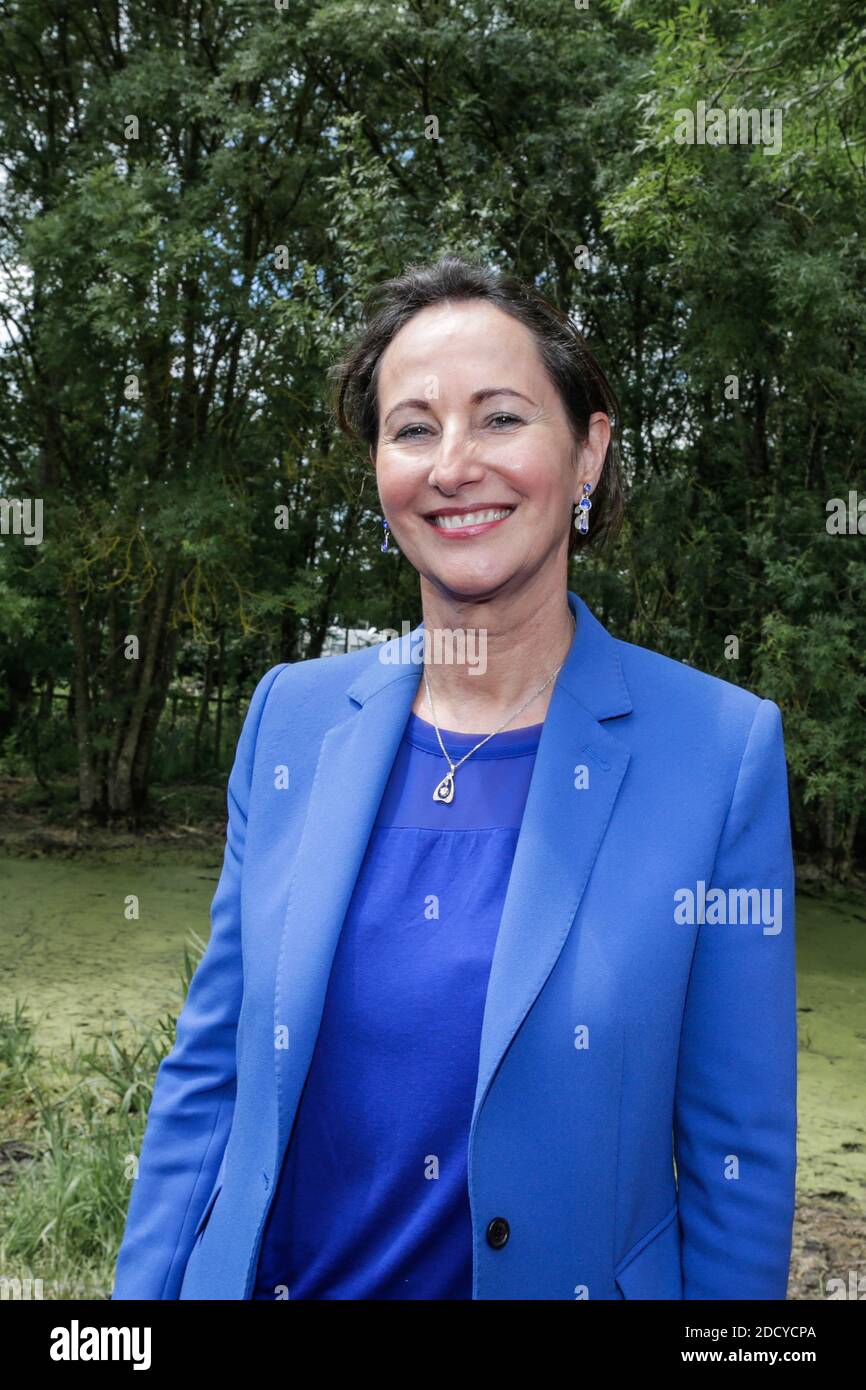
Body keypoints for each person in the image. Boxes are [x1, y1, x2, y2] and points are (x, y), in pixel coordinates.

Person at [111, 256, 797, 1301]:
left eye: (501, 419)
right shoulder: (289, 718)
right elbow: (209, 1083)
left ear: (587, 455)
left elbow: (734, 1167)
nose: (453, 464)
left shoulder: (716, 751)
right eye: (413, 428)